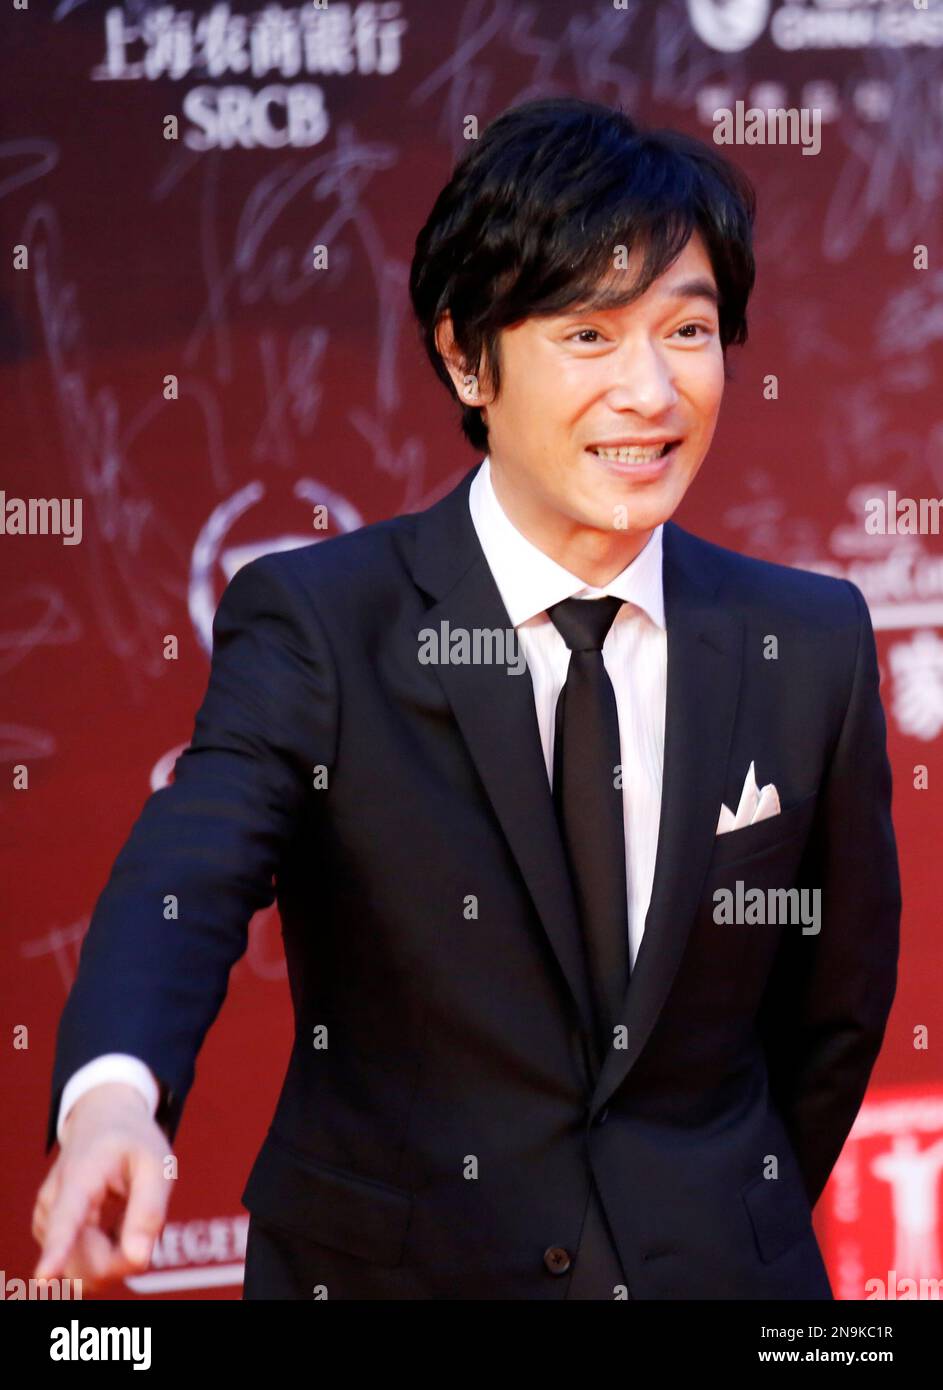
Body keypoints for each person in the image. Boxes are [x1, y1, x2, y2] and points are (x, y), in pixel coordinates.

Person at [33, 96, 900, 1300]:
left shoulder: (804, 640)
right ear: (464, 355)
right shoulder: (328, 620)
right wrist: (114, 1097)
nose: (650, 392)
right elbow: (191, 871)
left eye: (686, 331)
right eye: (588, 336)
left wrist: (704, 1220)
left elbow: (837, 1008)